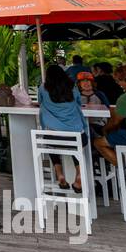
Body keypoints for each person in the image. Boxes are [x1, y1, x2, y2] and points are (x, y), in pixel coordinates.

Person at [37, 64, 88, 192]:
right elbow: (78, 102)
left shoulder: (43, 88)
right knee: (77, 145)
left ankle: (59, 174)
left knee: (51, 145)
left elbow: (39, 102)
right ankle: (79, 175)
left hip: (53, 136)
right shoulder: (72, 86)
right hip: (76, 136)